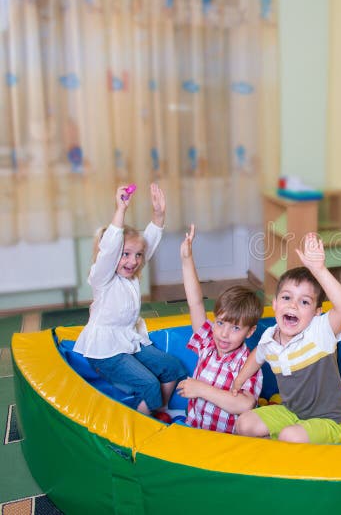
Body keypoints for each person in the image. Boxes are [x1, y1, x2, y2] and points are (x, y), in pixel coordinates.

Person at [232, 232, 341, 444]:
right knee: (244, 424)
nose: (292, 305)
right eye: (286, 297)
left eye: (304, 302)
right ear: (274, 304)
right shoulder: (269, 337)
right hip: (294, 413)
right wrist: (239, 380)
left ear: (317, 311)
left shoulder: (320, 332)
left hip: (331, 420)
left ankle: (289, 450)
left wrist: (319, 269)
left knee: (289, 436)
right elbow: (258, 355)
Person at [74, 183, 186, 423]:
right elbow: (110, 249)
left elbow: (151, 241)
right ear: (113, 254)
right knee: (149, 384)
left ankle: (160, 410)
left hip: (128, 339)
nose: (133, 261)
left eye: (137, 255)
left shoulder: (132, 275)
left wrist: (158, 214)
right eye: (126, 254)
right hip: (105, 350)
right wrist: (121, 210)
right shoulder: (102, 277)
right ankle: (142, 425)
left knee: (173, 368)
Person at [175, 224, 264, 433]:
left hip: (225, 445)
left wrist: (201, 389)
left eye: (235, 328)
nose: (223, 334)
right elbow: (195, 302)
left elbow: (245, 404)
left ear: (249, 332)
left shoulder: (248, 363)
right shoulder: (207, 341)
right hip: (196, 430)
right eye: (220, 323)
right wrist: (187, 260)